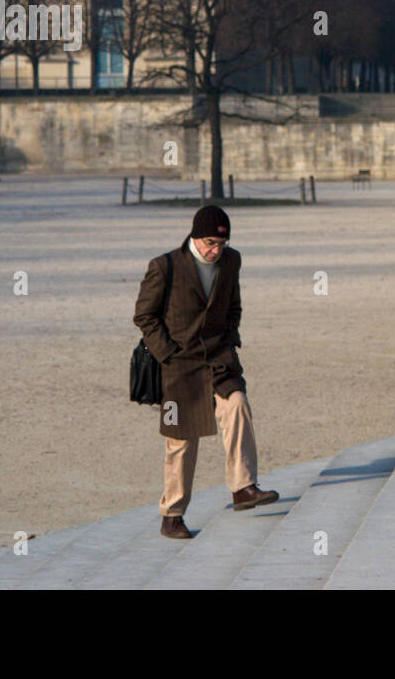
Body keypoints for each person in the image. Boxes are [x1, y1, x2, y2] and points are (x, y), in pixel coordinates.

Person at [133, 204, 278, 539]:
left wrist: (230, 337)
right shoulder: (164, 266)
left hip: (220, 359)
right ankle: (172, 516)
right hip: (178, 369)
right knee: (180, 443)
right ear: (195, 236)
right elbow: (144, 316)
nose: (216, 250)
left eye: (222, 245)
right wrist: (167, 354)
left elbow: (234, 305)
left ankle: (243, 487)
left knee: (238, 405)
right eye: (211, 243)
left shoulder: (232, 261)